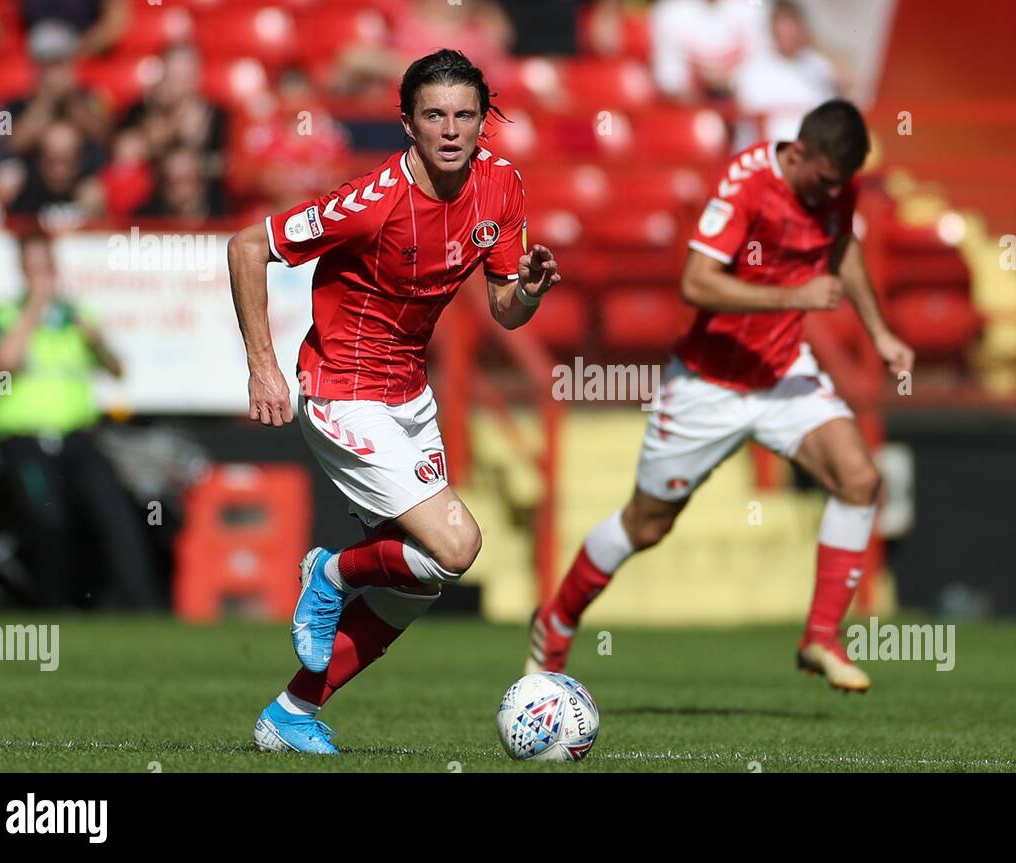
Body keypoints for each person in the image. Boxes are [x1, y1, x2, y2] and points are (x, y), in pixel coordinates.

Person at [226, 49, 560, 755]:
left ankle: (289, 712)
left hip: (409, 395)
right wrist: (263, 366)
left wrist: (528, 288)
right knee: (458, 543)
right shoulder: (373, 202)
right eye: (433, 115)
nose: (450, 129)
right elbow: (246, 246)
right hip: (343, 390)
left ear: (482, 120)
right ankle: (331, 570)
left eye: (464, 114)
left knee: (423, 579)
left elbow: (505, 311)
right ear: (406, 122)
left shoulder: (501, 185)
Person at [525, 100, 915, 693]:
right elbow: (695, 282)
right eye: (826, 180)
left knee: (860, 480)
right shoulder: (748, 184)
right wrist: (795, 298)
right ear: (799, 151)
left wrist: (880, 331)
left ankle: (821, 637)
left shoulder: (833, 191)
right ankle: (557, 618)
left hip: (783, 373)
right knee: (647, 525)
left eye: (842, 185)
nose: (831, 193)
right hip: (706, 384)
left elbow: (844, 247)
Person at [0, 232, 162, 610]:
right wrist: (34, 309)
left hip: (77, 436)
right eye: (34, 270)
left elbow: (116, 370)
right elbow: (5, 365)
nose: (42, 277)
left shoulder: (78, 317)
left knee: (116, 513)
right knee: (48, 518)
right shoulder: (1, 315)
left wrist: (95, 341)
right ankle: (54, 606)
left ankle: (141, 606)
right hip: (24, 437)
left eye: (47, 268)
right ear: (22, 272)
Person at [732, 1, 845, 149]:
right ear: (773, 30)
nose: (790, 34)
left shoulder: (818, 65)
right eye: (784, 28)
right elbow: (755, 116)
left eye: (794, 27)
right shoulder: (754, 69)